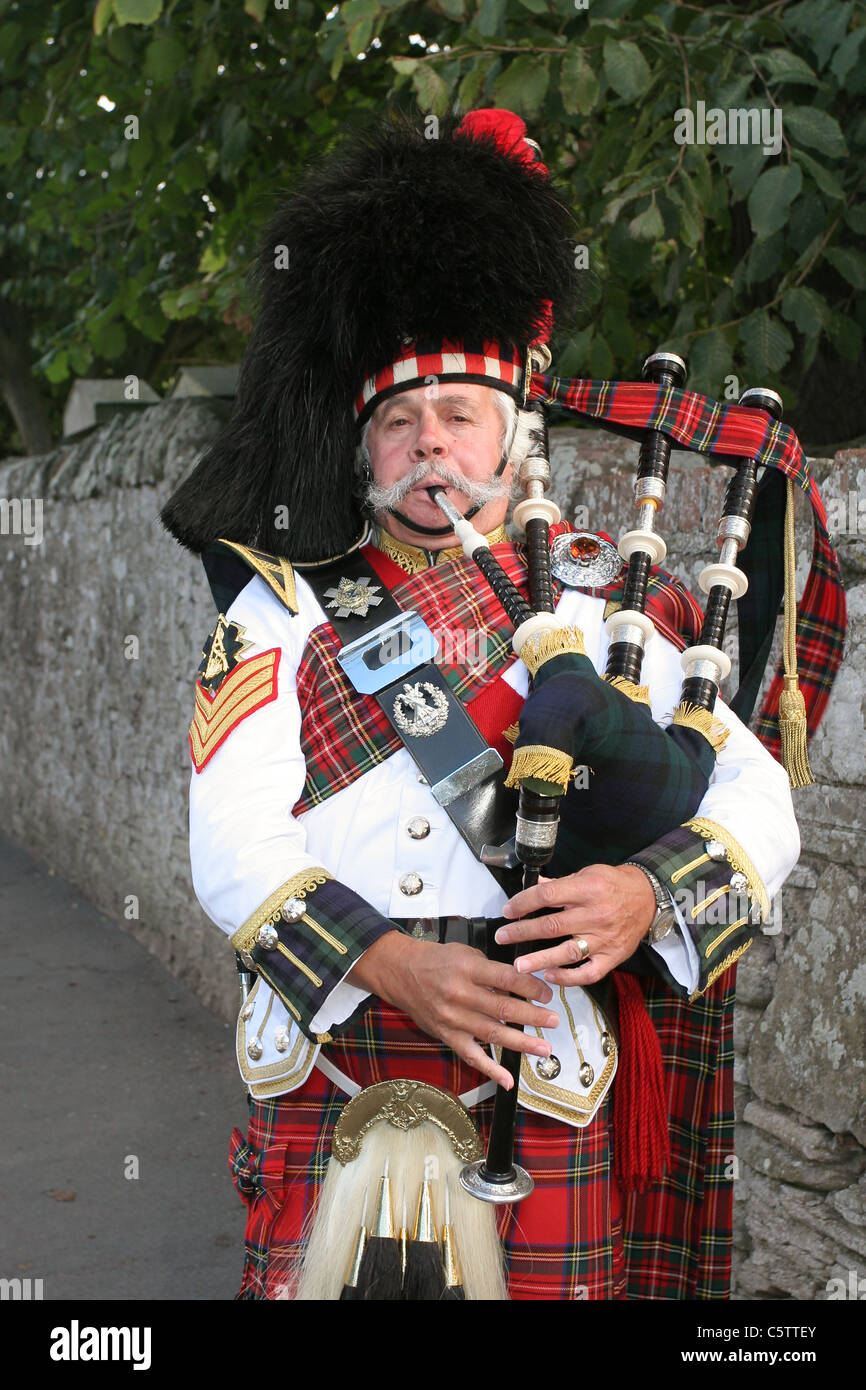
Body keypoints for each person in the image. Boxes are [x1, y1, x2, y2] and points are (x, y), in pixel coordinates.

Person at [160, 108, 833, 1300]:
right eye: (399, 422)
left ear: (512, 437)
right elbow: (231, 841)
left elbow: (758, 801)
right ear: (362, 450)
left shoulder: (603, 608)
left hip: (544, 1066)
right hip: (337, 1049)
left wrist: (641, 895)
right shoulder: (283, 610)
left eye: (458, 416)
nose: (430, 448)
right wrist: (380, 957)